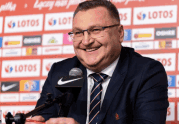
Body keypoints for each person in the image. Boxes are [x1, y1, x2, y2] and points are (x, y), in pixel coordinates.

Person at [28, 0, 169, 124]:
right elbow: (44, 116)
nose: (86, 41)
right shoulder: (61, 71)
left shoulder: (147, 72)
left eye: (95, 30)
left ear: (120, 33)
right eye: (78, 33)